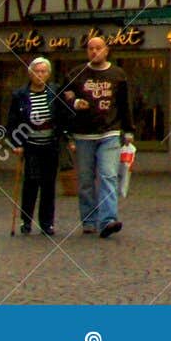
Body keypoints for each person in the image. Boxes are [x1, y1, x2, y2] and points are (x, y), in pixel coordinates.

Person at [61, 36, 134, 238]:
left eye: (98, 48)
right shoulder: (76, 74)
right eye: (91, 48)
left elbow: (125, 103)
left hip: (109, 132)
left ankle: (108, 220)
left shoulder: (118, 75)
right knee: (86, 180)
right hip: (83, 134)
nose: (94, 52)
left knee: (108, 175)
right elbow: (63, 97)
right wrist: (75, 103)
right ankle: (89, 220)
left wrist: (129, 130)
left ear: (106, 51)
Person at [4, 57, 70, 236]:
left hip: (50, 145)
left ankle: (47, 223)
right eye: (37, 71)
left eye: (43, 71)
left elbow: (63, 116)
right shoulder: (20, 95)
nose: (40, 75)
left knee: (48, 185)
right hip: (31, 145)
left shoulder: (55, 92)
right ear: (30, 74)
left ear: (48, 74)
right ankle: (26, 221)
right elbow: (13, 121)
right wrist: (16, 143)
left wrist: (66, 137)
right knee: (31, 183)